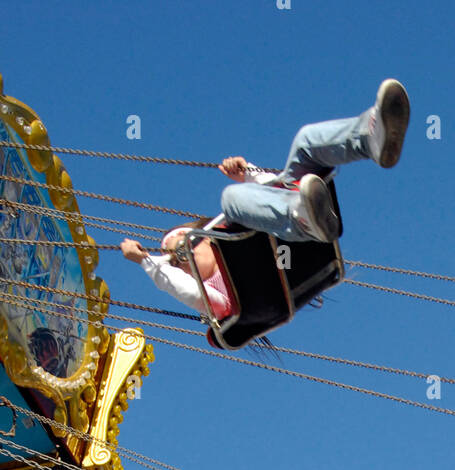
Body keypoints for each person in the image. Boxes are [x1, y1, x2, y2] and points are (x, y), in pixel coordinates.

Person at [119, 80, 410, 316]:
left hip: (294, 213)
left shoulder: (235, 230)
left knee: (305, 140)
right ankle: (301, 217)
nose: (186, 259)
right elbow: (190, 292)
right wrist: (149, 263)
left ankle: (371, 138)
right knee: (231, 198)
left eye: (185, 247)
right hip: (294, 238)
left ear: (205, 236)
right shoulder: (220, 296)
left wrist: (247, 174)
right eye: (179, 262)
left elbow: (272, 187)